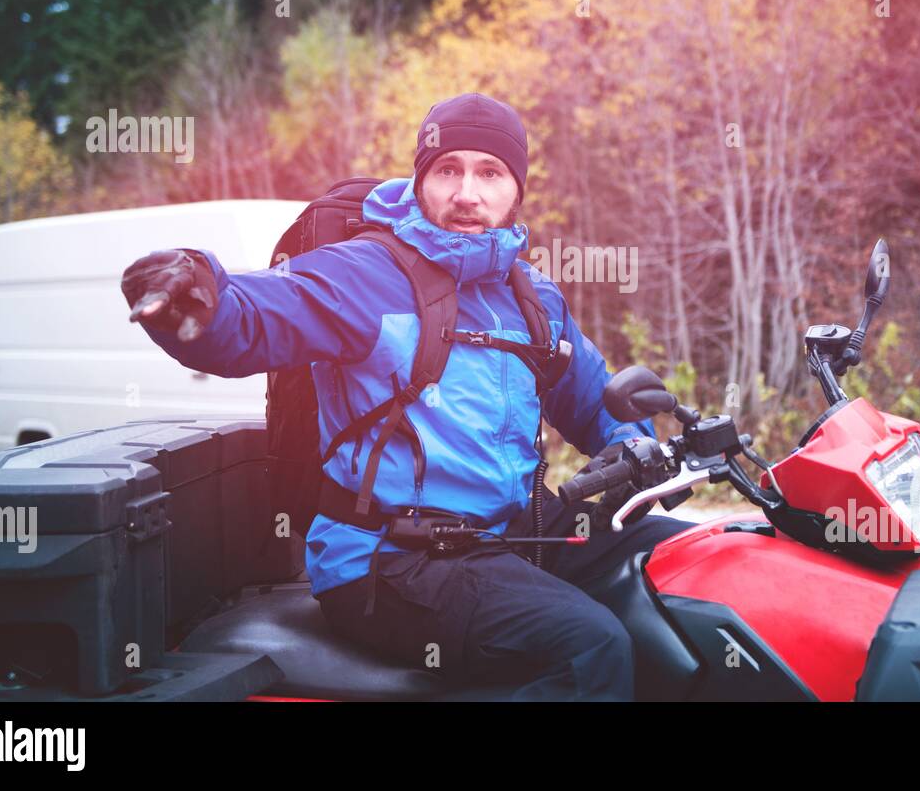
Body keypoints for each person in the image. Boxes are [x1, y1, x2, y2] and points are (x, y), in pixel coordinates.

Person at [121, 92, 697, 700]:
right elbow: (255, 317)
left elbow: (590, 399)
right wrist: (196, 293)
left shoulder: (534, 297)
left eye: (490, 172)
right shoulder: (366, 275)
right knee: (588, 646)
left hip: (516, 530)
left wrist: (632, 445)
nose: (467, 193)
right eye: (448, 170)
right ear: (421, 181)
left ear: (517, 189)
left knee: (691, 562)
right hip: (393, 557)